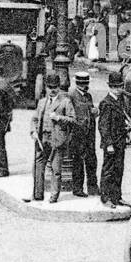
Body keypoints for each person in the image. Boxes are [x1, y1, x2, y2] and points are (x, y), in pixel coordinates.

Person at [31, 73, 75, 203]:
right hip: (42, 138)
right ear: (46, 87)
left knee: (56, 169)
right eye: (50, 87)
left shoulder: (65, 102)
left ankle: (54, 196)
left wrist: (59, 118)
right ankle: (38, 194)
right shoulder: (42, 102)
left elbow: (73, 119)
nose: (52, 90)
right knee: (39, 166)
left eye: (55, 87)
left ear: (59, 87)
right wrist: (33, 131)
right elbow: (34, 119)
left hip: (57, 139)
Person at [97, 71, 128, 208]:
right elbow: (103, 126)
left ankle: (117, 196)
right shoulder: (106, 103)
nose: (119, 89)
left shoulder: (119, 101)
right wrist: (108, 143)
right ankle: (105, 197)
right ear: (111, 87)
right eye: (117, 87)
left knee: (119, 169)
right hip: (111, 144)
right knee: (108, 170)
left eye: (120, 86)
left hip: (120, 142)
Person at [67, 71, 99, 197]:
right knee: (78, 162)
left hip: (89, 133)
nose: (84, 86)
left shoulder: (88, 96)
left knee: (91, 161)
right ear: (77, 84)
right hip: (78, 133)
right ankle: (77, 188)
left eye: (86, 83)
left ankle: (93, 187)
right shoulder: (72, 96)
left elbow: (89, 112)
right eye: (82, 84)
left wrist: (95, 112)